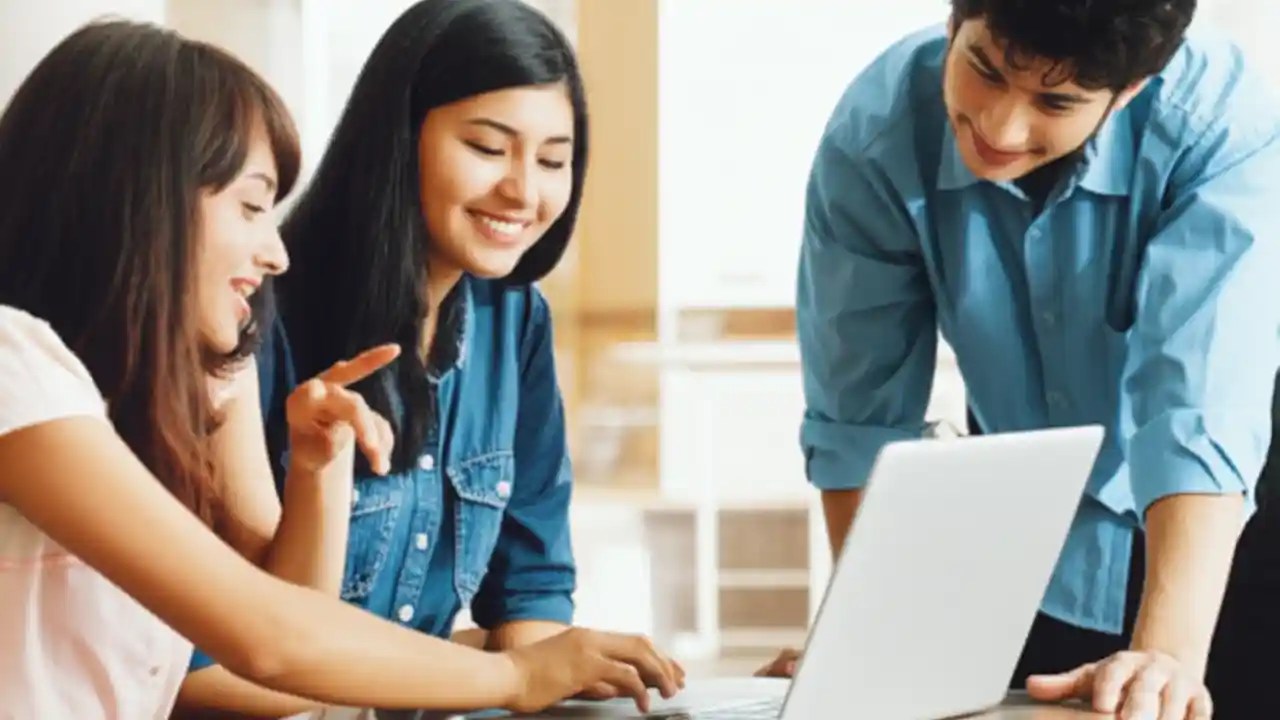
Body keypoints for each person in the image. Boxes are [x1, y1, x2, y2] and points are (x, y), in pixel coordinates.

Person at [0, 19, 682, 719]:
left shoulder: (104, 386)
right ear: (142, 199)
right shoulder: (15, 372)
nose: (275, 253)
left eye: (552, 159)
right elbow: (268, 643)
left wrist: (316, 470)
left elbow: (284, 624)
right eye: (251, 206)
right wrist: (514, 677)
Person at [761, 1, 1280, 718]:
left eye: (1055, 101)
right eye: (984, 70)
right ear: (954, 24)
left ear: (1127, 91)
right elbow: (859, 420)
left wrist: (1166, 659)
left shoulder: (1220, 120)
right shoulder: (876, 131)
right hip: (1040, 514)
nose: (1000, 128)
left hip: (1228, 502)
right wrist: (876, 635)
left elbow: (1196, 408)